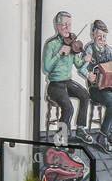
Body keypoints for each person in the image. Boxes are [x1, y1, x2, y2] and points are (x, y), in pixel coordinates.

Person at [42, 11, 92, 143]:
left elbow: (78, 63)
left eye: (69, 24)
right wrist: (59, 53)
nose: (67, 28)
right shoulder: (51, 44)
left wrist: (86, 60)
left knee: (85, 95)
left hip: (68, 82)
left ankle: (81, 129)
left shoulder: (72, 42)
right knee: (69, 107)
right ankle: (61, 136)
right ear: (57, 25)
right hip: (55, 85)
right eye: (64, 24)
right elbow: (46, 68)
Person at [78, 19, 112, 151]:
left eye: (104, 37)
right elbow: (81, 68)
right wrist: (88, 75)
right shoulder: (89, 48)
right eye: (99, 36)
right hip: (95, 89)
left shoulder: (109, 50)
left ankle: (109, 132)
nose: (102, 39)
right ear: (93, 35)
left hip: (109, 87)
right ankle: (102, 136)